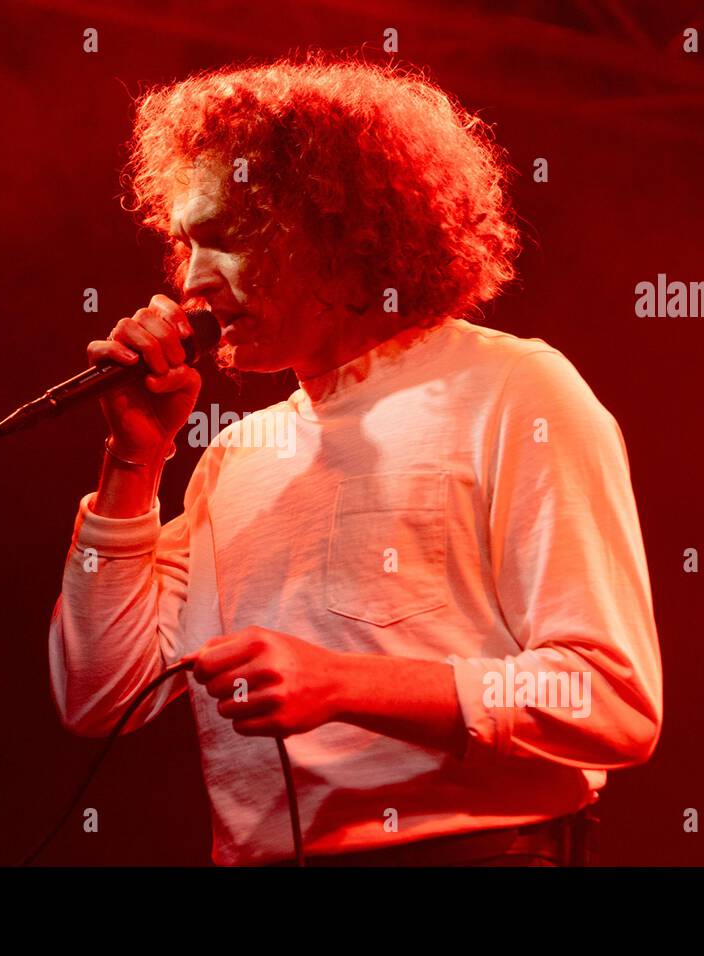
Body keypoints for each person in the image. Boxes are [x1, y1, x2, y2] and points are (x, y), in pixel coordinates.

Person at [47, 54, 662, 866]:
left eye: (223, 240)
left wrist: (340, 685)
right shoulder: (235, 458)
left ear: (339, 231)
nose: (191, 281)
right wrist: (134, 460)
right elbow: (100, 697)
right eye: (184, 243)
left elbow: (611, 699)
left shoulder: (514, 389)